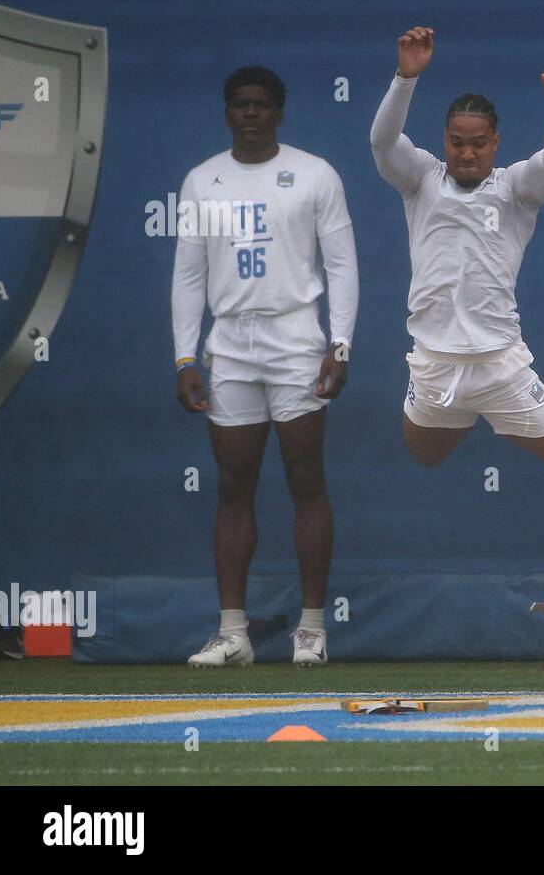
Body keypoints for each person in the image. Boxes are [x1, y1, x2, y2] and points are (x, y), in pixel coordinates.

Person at [172, 65, 359, 667]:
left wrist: (342, 343)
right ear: (227, 113)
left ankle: (310, 628)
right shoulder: (203, 180)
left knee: (305, 477)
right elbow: (189, 274)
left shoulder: (313, 174)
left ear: (279, 111)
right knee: (232, 486)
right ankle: (233, 633)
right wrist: (184, 353)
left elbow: (343, 267)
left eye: (261, 105)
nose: (250, 114)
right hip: (228, 343)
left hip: (296, 336)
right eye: (240, 105)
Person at [370, 26, 544, 481]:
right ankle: (473, 410)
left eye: (478, 144)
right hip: (434, 366)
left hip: (499, 368)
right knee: (425, 455)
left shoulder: (516, 188)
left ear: (496, 143)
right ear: (444, 140)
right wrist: (405, 79)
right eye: (456, 142)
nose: (467, 153)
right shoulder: (421, 179)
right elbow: (383, 144)